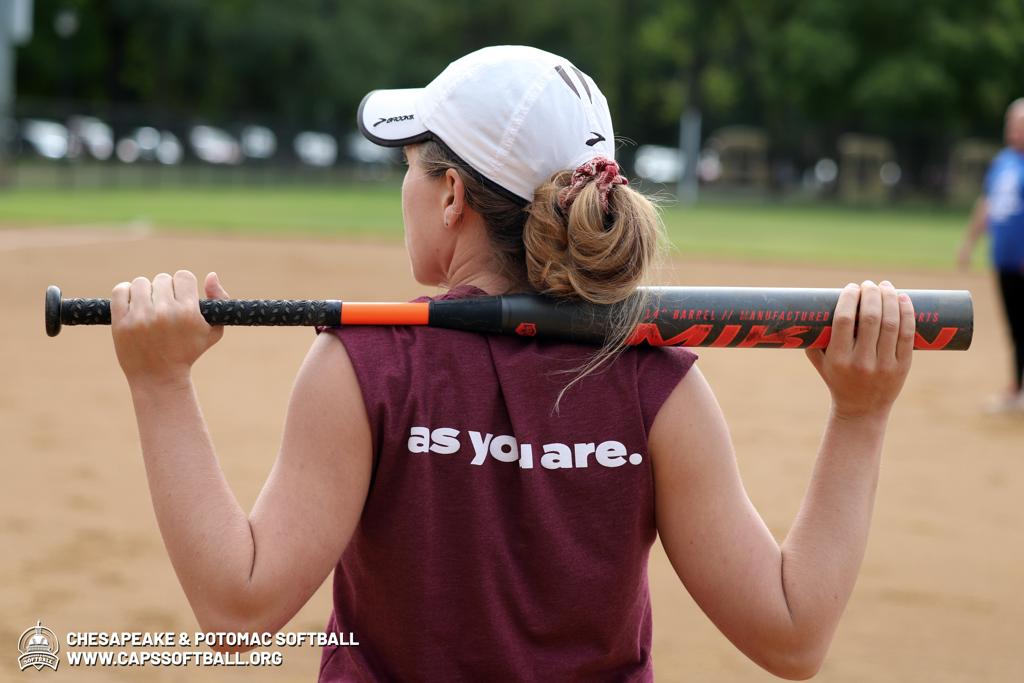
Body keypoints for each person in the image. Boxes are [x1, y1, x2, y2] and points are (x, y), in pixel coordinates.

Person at [109, 46, 916, 681]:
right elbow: (793, 632)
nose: (406, 189)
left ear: (452, 194)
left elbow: (237, 608)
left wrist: (160, 381)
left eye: (410, 167)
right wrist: (860, 412)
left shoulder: (364, 366)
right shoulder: (657, 383)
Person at [959, 98, 1024, 413]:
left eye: (1018, 125)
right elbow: (987, 204)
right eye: (1010, 124)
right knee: (1015, 325)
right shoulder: (1003, 162)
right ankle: (1017, 388)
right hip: (1006, 258)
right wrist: (969, 242)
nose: (1012, 131)